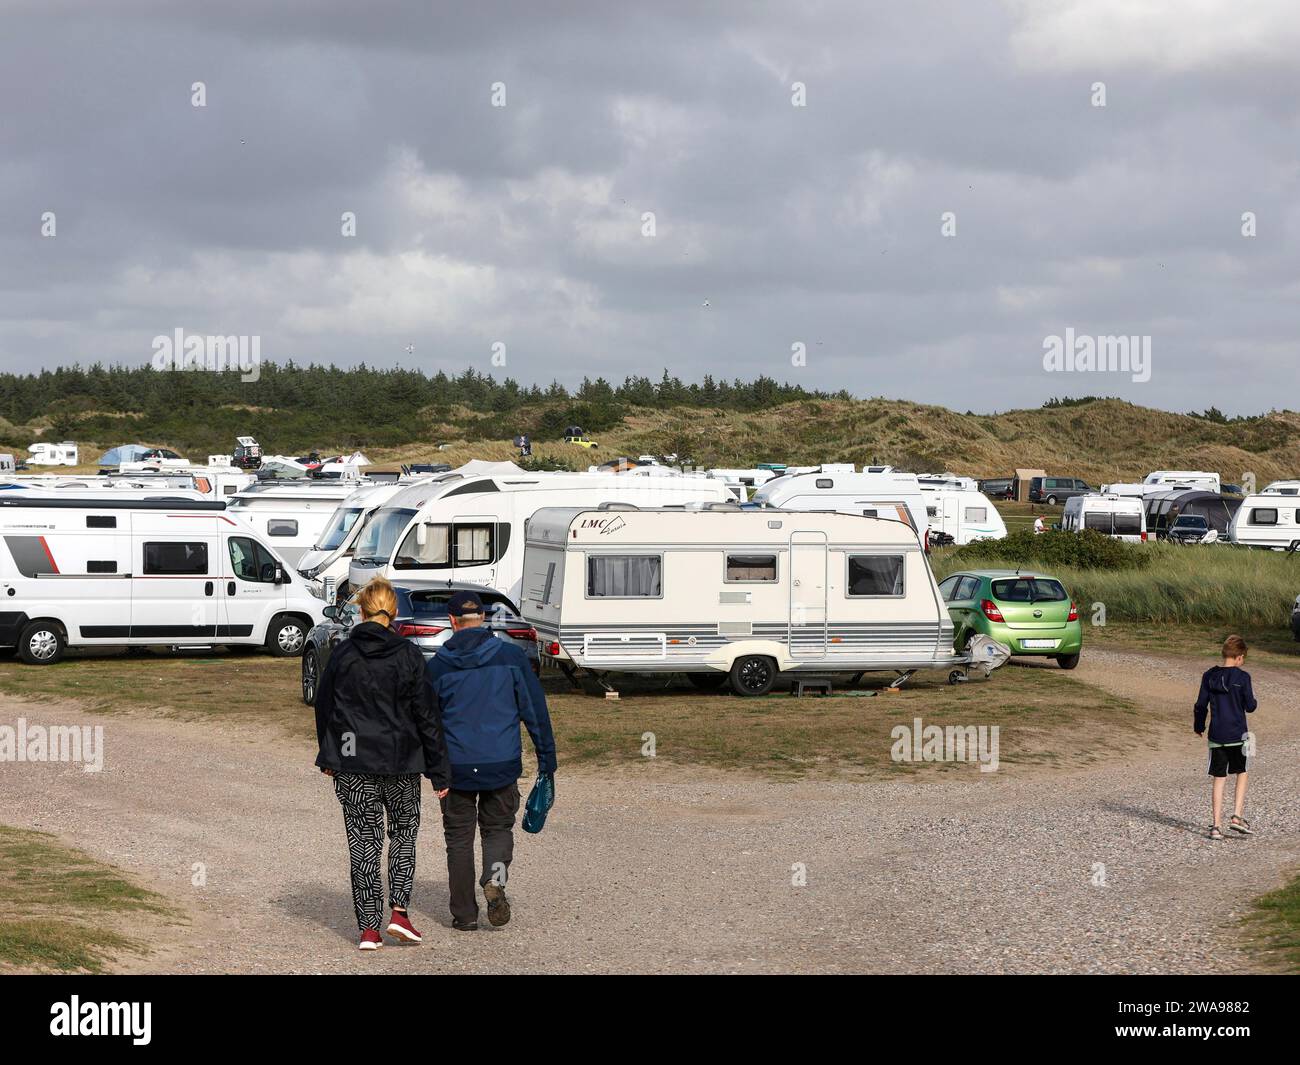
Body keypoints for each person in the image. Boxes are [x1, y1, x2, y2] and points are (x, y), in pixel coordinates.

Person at [315, 576, 449, 950]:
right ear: (394, 611)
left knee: (363, 842)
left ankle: (369, 929)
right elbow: (427, 715)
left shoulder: (343, 653)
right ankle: (400, 912)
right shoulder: (408, 655)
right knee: (403, 834)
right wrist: (439, 770)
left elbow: (326, 708)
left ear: (361, 610)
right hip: (401, 760)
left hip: (353, 758)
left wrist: (330, 755)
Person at [425, 591, 557, 931]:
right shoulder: (511, 658)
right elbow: (535, 711)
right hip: (501, 762)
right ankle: (494, 881)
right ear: (483, 619)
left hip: (456, 769)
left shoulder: (437, 667)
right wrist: (547, 760)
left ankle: (465, 915)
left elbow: (428, 725)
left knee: (459, 838)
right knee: (497, 829)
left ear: (452, 622)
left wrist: (433, 770)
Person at [1194, 634, 1257, 841]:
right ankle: (1237, 817)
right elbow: (1250, 706)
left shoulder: (1209, 676)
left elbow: (1201, 704)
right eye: (1243, 658)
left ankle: (1216, 827)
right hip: (1238, 734)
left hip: (1217, 734)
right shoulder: (1242, 678)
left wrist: (1198, 725)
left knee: (1219, 779)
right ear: (1239, 656)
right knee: (1242, 771)